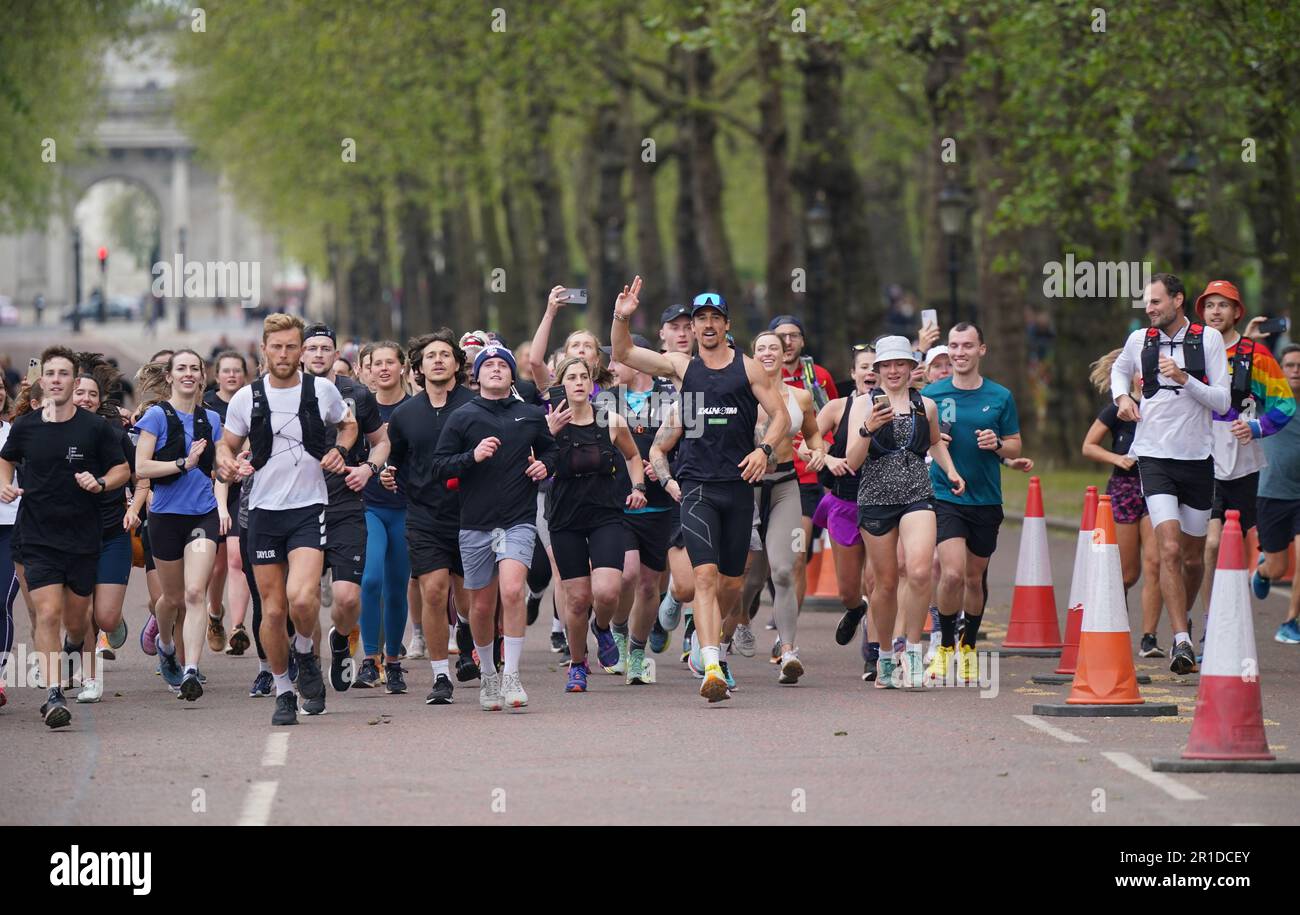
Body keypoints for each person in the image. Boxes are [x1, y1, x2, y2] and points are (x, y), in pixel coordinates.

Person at [613, 280, 791, 703]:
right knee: (704, 578)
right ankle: (710, 664)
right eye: (700, 319)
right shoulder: (681, 366)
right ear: (692, 328)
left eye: (715, 318)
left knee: (733, 584)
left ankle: (714, 648)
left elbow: (781, 416)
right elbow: (622, 355)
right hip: (696, 486)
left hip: (737, 486)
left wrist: (764, 450)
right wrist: (621, 316)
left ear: (726, 324)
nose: (707, 325)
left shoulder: (748, 368)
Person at [217, 313, 356, 726]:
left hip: (308, 509)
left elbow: (348, 426)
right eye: (276, 347)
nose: (283, 354)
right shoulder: (247, 397)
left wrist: (343, 451)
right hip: (262, 513)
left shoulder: (322, 390)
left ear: (300, 349)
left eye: (291, 346)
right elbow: (226, 447)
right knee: (273, 612)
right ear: (264, 349)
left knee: (302, 598)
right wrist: (226, 466)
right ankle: (282, 690)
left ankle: (304, 653)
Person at [0, 346, 130, 728]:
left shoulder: (95, 429)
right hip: (37, 537)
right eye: (51, 373)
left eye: (64, 374)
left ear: (75, 382)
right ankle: (54, 695)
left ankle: (73, 648)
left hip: (82, 537)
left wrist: (102, 481)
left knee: (78, 621)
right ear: (43, 381)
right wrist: (4, 484)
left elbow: (122, 469)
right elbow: (5, 458)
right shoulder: (26, 426)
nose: (56, 379)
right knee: (48, 612)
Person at [1111, 274, 1230, 674]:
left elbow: (1223, 400)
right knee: (1170, 550)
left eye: (1157, 302)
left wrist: (1184, 378)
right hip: (1153, 456)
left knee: (1194, 560)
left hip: (1198, 459)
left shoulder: (1208, 340)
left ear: (1178, 300)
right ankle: (1181, 640)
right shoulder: (1139, 340)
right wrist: (1122, 396)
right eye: (1147, 303)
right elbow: (1118, 371)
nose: (1149, 309)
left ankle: (1186, 618)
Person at [430, 343, 556, 711]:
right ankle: (488, 673)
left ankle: (512, 674)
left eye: (503, 365)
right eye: (489, 365)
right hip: (475, 524)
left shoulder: (530, 415)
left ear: (512, 375)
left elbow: (551, 451)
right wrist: (473, 456)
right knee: (481, 607)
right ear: (477, 375)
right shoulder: (463, 417)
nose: (496, 370)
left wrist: (544, 466)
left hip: (517, 520)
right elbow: (439, 466)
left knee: (513, 590)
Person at [845, 336, 964, 687]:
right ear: (878, 369)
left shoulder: (924, 404)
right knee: (883, 584)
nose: (894, 371)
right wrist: (869, 428)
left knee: (920, 570)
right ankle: (884, 655)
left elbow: (934, 442)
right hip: (876, 498)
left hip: (917, 493)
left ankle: (912, 651)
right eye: (887, 365)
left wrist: (953, 472)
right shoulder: (862, 405)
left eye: (901, 364)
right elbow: (852, 460)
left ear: (912, 368)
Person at [922, 323, 1022, 684]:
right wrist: (934, 440)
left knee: (973, 577)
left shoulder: (1000, 396)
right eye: (954, 346)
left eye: (967, 346)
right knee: (950, 572)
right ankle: (945, 644)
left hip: (986, 499)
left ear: (982, 350)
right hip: (946, 494)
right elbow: (916, 443)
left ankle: (968, 646)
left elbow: (1015, 445)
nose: (960, 352)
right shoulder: (932, 394)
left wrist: (997, 443)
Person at [381, 329, 475, 704]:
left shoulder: (475, 405)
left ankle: (467, 631)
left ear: (456, 363)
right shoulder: (405, 414)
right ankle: (441, 677)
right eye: (430, 356)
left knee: (468, 599)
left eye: (445, 355)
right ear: (417, 367)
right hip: (423, 515)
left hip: (471, 514)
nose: (437, 360)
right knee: (434, 591)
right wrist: (389, 472)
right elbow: (397, 458)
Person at [543, 355, 648, 691]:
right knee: (576, 599)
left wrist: (638, 486)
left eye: (583, 376)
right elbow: (528, 461)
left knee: (606, 591)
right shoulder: (546, 424)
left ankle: (602, 627)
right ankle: (577, 664)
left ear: (591, 384)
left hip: (605, 513)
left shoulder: (611, 420)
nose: (577, 382)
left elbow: (633, 456)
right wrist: (546, 436)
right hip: (565, 517)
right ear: (561, 384)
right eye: (570, 377)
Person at [1194, 280, 1294, 624]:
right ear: (1201, 312)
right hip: (1203, 462)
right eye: (1210, 305)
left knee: (1246, 547)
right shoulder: (1192, 352)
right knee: (1210, 544)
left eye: (1223, 305)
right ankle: (1211, 622)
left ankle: (1238, 612)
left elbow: (1284, 404)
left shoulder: (1255, 355)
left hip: (1247, 466)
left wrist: (1255, 427)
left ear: (1237, 312)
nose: (1215, 311)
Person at [735, 331, 827, 685]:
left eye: (775, 347)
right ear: (753, 355)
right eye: (761, 348)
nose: (769, 353)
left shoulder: (801, 397)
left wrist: (816, 451)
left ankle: (788, 650)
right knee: (750, 577)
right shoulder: (742, 395)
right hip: (749, 489)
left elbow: (814, 432)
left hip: (787, 486)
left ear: (784, 352)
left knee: (785, 570)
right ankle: (742, 619)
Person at [300, 323, 387, 695]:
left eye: (326, 348)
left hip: (345, 504)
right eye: (312, 348)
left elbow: (381, 442)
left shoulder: (356, 394)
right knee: (302, 599)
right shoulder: (281, 393)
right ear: (300, 354)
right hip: (298, 507)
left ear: (336, 355)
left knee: (348, 597)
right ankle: (309, 667)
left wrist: (368, 469)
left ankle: (340, 641)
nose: (319, 354)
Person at [134, 350, 225, 701]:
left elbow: (221, 463)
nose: (188, 374)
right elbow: (141, 467)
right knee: (170, 599)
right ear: (170, 376)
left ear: (203, 377)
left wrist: (234, 466)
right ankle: (166, 644)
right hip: (166, 516)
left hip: (202, 513)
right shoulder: (156, 416)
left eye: (194, 369)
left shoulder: (212, 420)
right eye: (181, 368)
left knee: (194, 593)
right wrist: (182, 463)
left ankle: (191, 671)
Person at [602, 336, 675, 684]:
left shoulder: (673, 398)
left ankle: (635, 652)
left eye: (617, 361)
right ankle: (616, 630)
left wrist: (662, 465)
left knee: (649, 586)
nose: (611, 368)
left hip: (662, 505)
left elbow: (690, 442)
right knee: (627, 575)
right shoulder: (605, 400)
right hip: (619, 502)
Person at [1084, 349, 1163, 656]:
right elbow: (1088, 446)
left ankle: (1149, 638)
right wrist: (1118, 457)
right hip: (1125, 487)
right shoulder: (1116, 410)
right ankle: (1106, 623)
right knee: (1128, 573)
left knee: (1155, 564)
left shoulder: (1164, 408)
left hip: (1158, 486)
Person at [69, 367, 138, 702]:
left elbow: (139, 475)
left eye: (92, 394)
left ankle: (106, 622)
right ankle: (91, 678)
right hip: (69, 535)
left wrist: (134, 507)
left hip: (112, 532)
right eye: (80, 392)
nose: (85, 399)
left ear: (100, 401)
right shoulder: (50, 431)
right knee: (80, 614)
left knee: (105, 618)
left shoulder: (113, 432)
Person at [815, 345, 879, 676]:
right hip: (844, 503)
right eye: (863, 367)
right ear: (853, 374)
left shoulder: (896, 408)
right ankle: (856, 610)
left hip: (882, 504)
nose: (870, 372)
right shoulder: (838, 407)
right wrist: (826, 457)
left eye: (875, 367)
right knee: (849, 590)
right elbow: (806, 441)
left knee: (877, 580)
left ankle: (874, 652)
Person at [768, 315, 839, 610]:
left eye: (793, 335)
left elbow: (834, 421)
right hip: (768, 475)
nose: (787, 341)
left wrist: (825, 455)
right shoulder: (758, 377)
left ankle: (788, 629)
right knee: (766, 563)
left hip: (806, 479)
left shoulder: (818, 376)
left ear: (803, 341)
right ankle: (772, 607)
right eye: (780, 336)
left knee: (797, 555)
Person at [357, 341, 411, 693]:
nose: (384, 368)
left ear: (403, 367)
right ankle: (368, 659)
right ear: (368, 369)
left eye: (391, 362)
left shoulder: (415, 408)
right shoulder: (360, 409)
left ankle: (392, 662)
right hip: (368, 506)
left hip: (407, 508)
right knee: (370, 579)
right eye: (378, 363)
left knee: (396, 587)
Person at [204, 351, 253, 656]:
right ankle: (214, 615)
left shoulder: (251, 400)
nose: (232, 375)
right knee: (217, 563)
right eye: (227, 371)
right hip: (209, 486)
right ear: (217, 375)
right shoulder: (207, 403)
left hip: (242, 485)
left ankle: (238, 626)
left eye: (237, 370)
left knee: (236, 558)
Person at [1251, 345, 1300, 643]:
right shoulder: (1267, 400)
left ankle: (1291, 622)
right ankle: (1264, 572)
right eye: (1291, 365)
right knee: (1279, 566)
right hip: (1270, 494)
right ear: (1280, 371)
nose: (1296, 370)